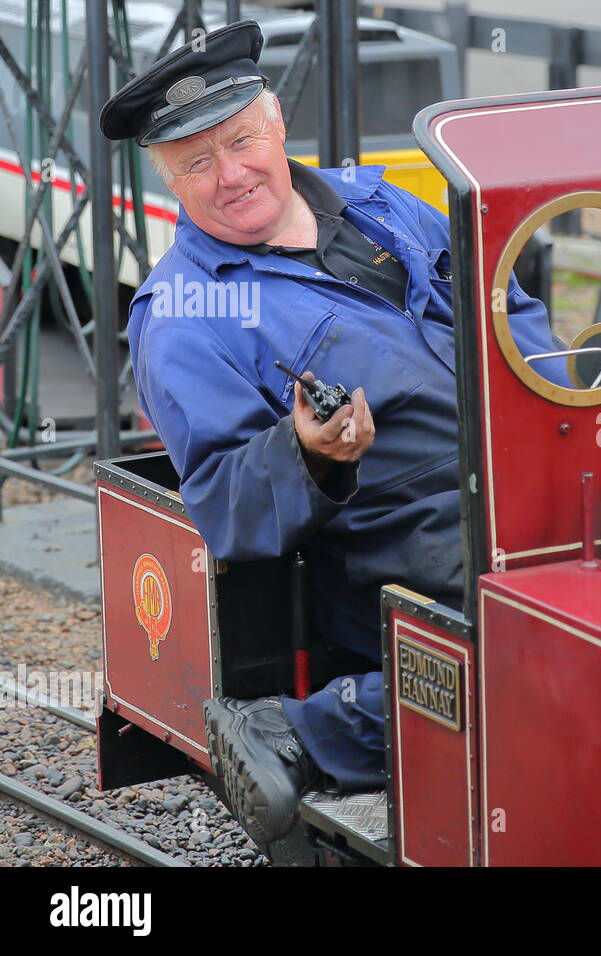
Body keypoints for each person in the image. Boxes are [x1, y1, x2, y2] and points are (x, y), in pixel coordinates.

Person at [100, 20, 562, 846]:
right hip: (406, 546)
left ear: (276, 123)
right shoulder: (181, 317)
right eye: (196, 163)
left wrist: (569, 403)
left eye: (240, 140)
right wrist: (310, 453)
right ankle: (308, 731)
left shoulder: (383, 202)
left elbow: (508, 304)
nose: (231, 174)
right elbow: (225, 505)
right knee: (559, 649)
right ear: (166, 179)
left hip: (540, 477)